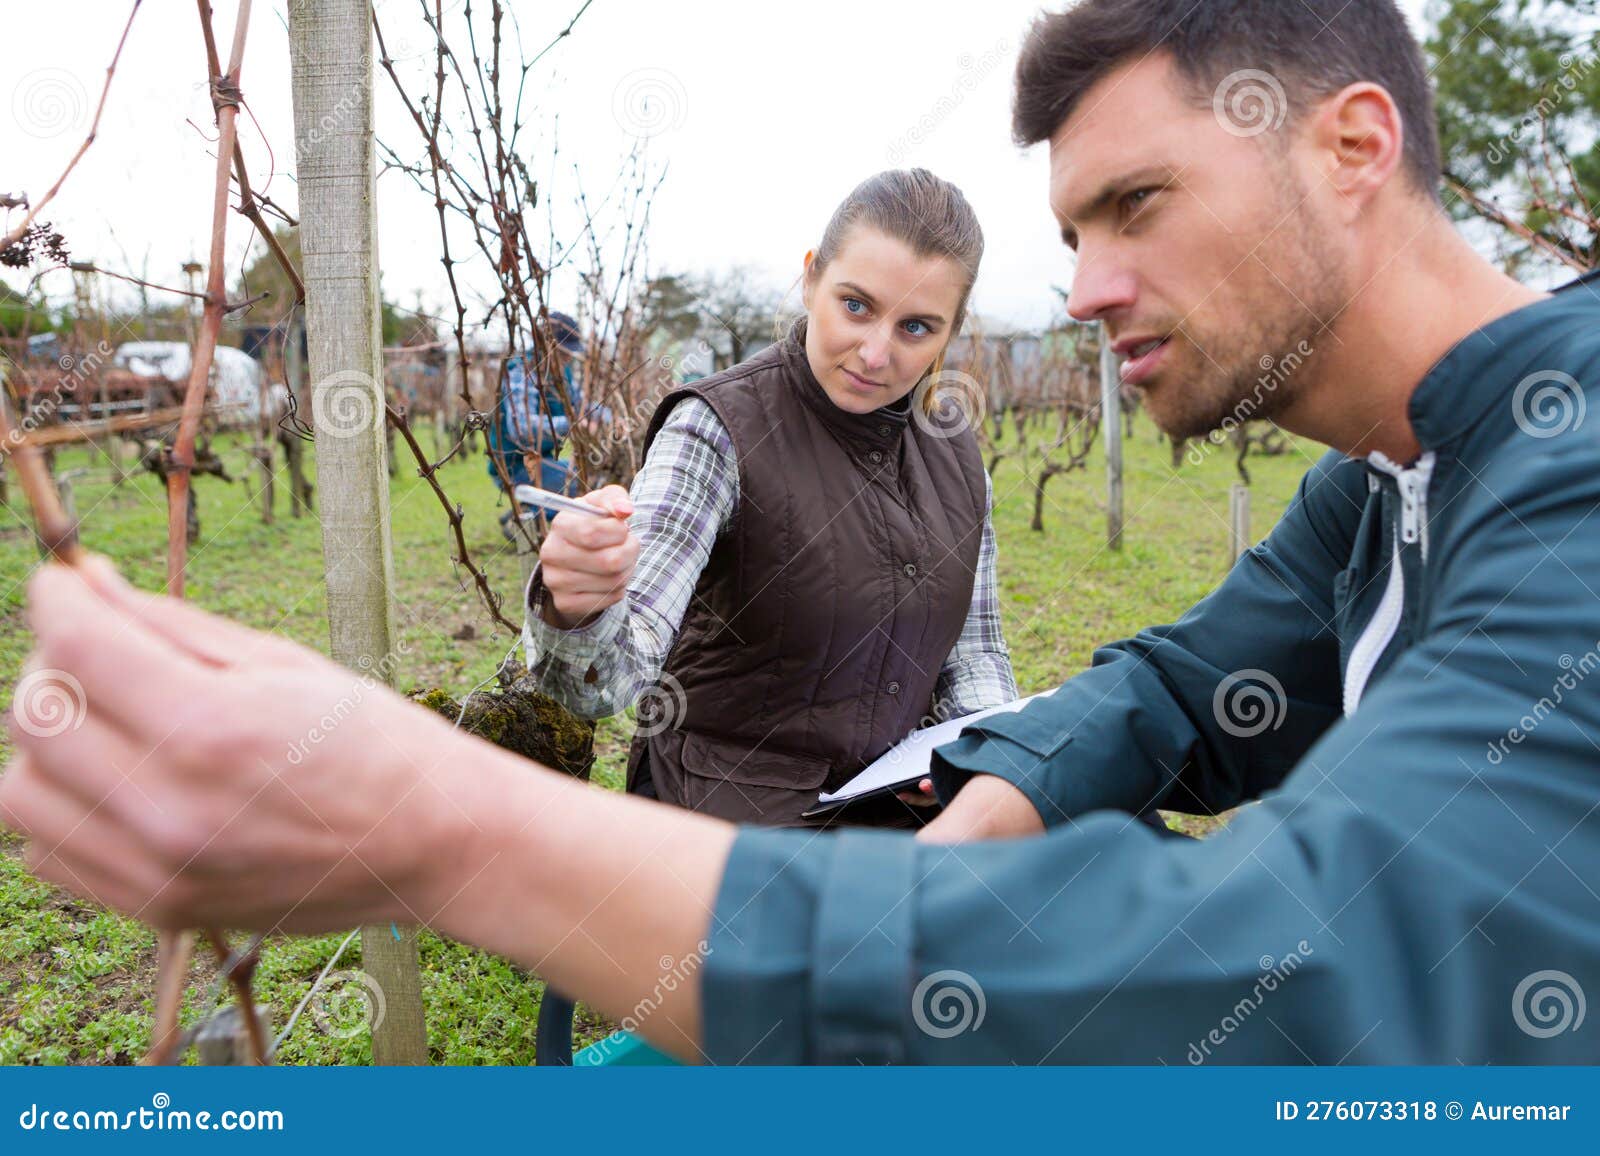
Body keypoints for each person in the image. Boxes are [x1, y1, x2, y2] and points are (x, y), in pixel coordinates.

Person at [5, 0, 1600, 1066]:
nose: (1095, 289)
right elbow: (1177, 692)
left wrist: (446, 826)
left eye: (1140, 206)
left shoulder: (1569, 463)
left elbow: (1335, 948)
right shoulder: (1382, 486)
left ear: (1353, 147)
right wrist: (1006, 790)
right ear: (805, 282)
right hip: (734, 866)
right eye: (1074, 233)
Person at [523, 169, 1024, 829]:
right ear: (812, 277)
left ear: (952, 330)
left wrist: (992, 763)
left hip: (893, 814)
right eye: (856, 305)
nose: (876, 353)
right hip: (728, 825)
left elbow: (976, 656)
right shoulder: (717, 428)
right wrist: (577, 608)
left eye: (916, 328)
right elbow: (611, 676)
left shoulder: (957, 456)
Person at [487, 310, 588, 535]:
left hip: (542, 462)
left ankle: (529, 509)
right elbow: (522, 428)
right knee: (582, 489)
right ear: (547, 346)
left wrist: (609, 417)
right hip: (514, 467)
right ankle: (526, 516)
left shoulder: (563, 372)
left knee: (592, 474)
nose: (569, 358)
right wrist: (574, 422)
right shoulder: (521, 370)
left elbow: (582, 405)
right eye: (564, 353)